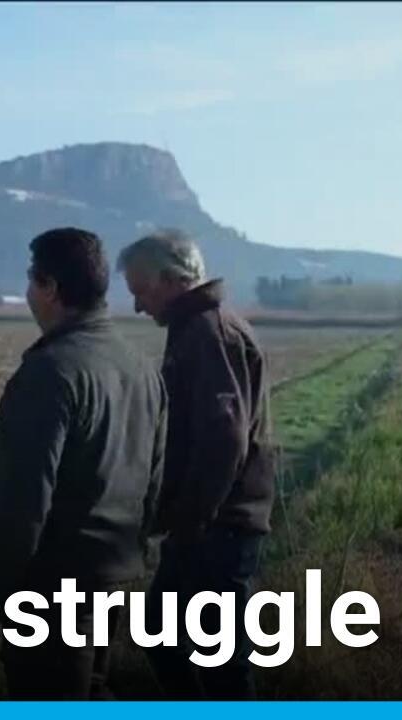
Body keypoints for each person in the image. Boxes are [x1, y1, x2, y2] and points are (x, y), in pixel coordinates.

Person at [0, 227, 167, 699]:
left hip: (53, 586)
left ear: (51, 288)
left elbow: (23, 502)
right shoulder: (141, 367)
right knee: (92, 688)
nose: (26, 295)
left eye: (30, 281)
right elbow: (156, 478)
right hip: (114, 575)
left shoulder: (50, 372)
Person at [116, 228, 276, 699]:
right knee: (163, 634)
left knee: (220, 662)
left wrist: (190, 520)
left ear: (171, 280)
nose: (139, 306)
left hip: (219, 527)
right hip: (209, 525)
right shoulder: (198, 326)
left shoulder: (208, 332)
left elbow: (225, 438)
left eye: (142, 291)